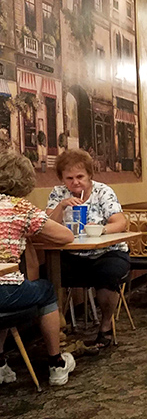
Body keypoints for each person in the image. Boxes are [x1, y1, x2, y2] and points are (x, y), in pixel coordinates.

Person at [0, 150, 76, 386]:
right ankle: (56, 362)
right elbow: (66, 236)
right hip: (6, 291)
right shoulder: (21, 209)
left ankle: (0, 363)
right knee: (45, 289)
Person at [46, 149, 130, 350]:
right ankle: (56, 335)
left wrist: (100, 230)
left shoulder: (103, 192)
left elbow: (120, 222)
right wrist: (62, 206)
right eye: (69, 178)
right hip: (72, 255)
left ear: (89, 175)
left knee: (108, 274)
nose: (75, 182)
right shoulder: (58, 194)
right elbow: (46, 224)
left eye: (80, 177)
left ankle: (106, 326)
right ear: (62, 178)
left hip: (107, 252)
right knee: (48, 276)